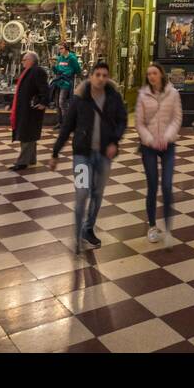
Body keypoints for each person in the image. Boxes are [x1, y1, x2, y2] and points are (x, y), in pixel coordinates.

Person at [49, 62, 127, 251]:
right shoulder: (79, 99)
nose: (101, 78)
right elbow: (67, 126)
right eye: (98, 74)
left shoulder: (113, 98)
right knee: (82, 192)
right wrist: (55, 152)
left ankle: (88, 228)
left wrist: (114, 142)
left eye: (104, 75)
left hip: (103, 156)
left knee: (98, 193)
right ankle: (76, 234)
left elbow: (122, 121)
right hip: (82, 154)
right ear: (91, 76)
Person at [135, 63, 182, 245]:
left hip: (168, 145)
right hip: (149, 146)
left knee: (168, 185)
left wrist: (167, 137)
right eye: (148, 74)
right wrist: (151, 140)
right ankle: (153, 226)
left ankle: (169, 226)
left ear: (161, 74)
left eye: (154, 73)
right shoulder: (142, 95)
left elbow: (177, 118)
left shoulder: (173, 94)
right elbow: (139, 123)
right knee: (152, 185)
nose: (151, 77)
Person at [9, 51, 48, 171]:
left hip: (32, 109)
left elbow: (44, 88)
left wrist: (43, 102)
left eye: (24, 60)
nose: (22, 62)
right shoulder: (29, 71)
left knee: (27, 135)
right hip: (26, 108)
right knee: (29, 134)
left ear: (31, 60)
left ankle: (22, 162)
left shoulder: (37, 71)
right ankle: (31, 159)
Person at [51, 42, 81, 124]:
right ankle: (59, 122)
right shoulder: (60, 58)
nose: (60, 50)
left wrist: (68, 73)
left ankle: (66, 123)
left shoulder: (72, 58)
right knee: (57, 103)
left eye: (61, 48)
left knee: (62, 102)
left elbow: (78, 70)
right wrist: (53, 67)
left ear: (66, 49)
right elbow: (57, 70)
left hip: (66, 82)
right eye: (59, 49)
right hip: (58, 81)